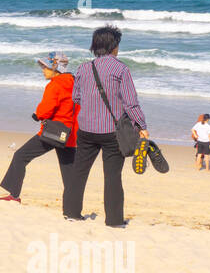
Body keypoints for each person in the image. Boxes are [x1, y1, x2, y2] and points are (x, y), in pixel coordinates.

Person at [63, 25, 149, 227]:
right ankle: (114, 220)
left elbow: (76, 97)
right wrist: (142, 125)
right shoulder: (121, 69)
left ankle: (72, 213)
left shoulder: (84, 68)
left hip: (86, 129)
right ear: (114, 46)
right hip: (112, 132)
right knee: (112, 176)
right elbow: (131, 102)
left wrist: (93, 107)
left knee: (79, 171)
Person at [0, 52, 78, 203]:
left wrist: (37, 114)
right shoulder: (75, 82)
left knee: (20, 156)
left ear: (56, 68)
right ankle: (72, 205)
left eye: (45, 67)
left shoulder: (54, 84)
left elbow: (46, 109)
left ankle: (14, 196)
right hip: (71, 134)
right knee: (68, 172)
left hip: (53, 132)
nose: (43, 70)